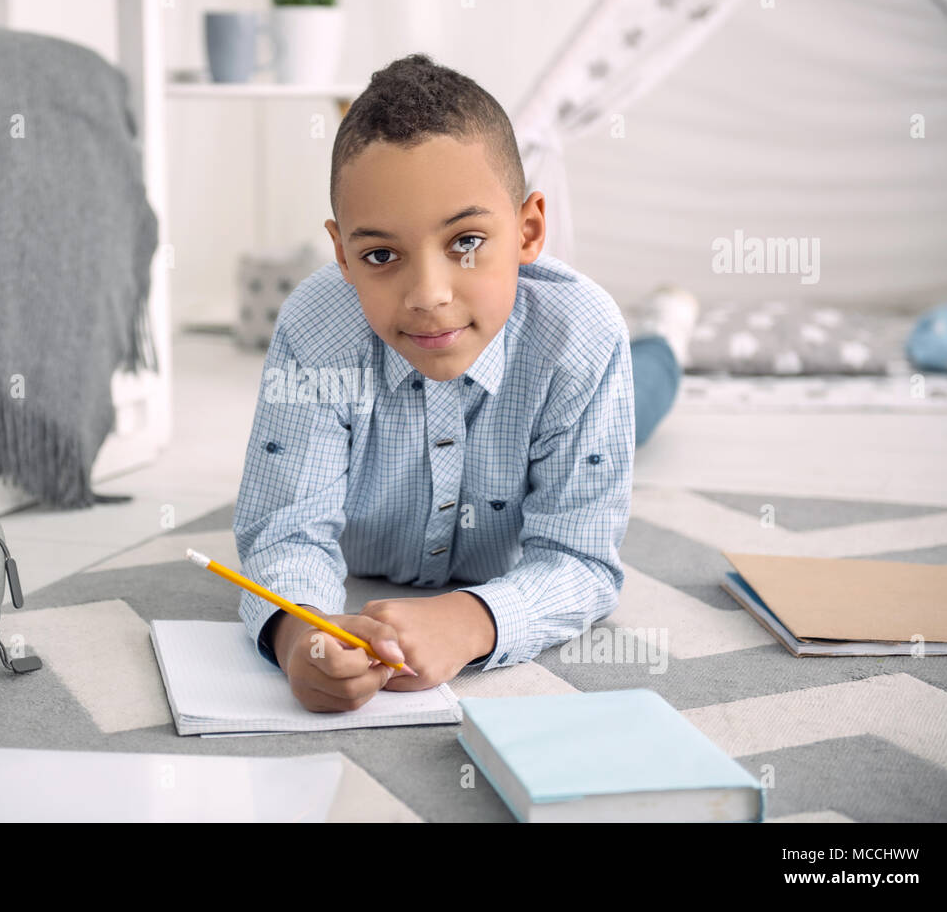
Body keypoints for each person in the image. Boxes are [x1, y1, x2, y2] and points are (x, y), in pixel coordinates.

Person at [231, 53, 691, 714]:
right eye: (380, 256)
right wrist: (298, 633)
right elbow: (285, 530)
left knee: (646, 389)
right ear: (341, 255)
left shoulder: (582, 338)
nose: (428, 296)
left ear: (529, 229)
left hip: (586, 376)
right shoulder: (316, 330)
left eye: (467, 242)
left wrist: (473, 620)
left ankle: (666, 333)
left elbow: (581, 559)